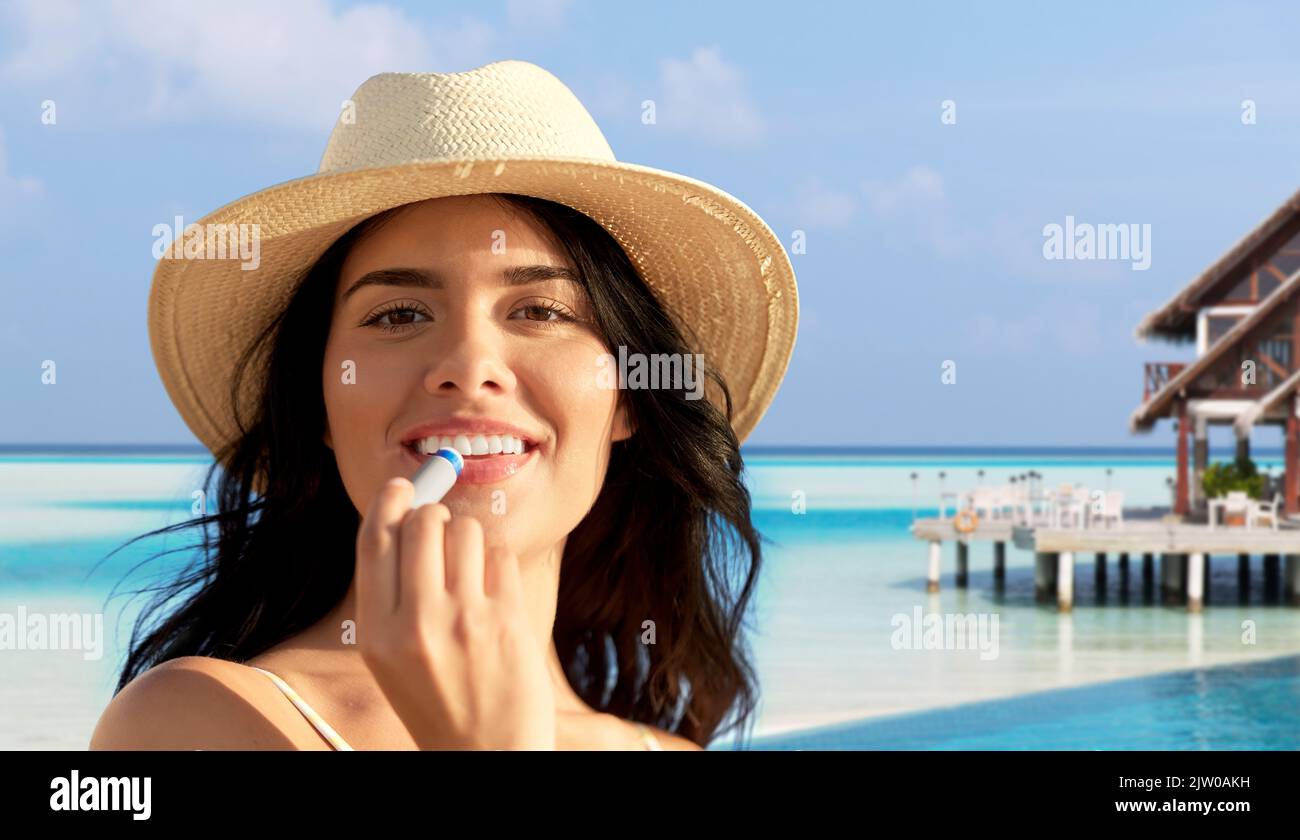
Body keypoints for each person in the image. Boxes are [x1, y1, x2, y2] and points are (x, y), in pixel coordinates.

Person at [89, 60, 798, 750]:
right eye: (398, 315)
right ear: (319, 403)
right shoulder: (191, 722)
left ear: (628, 397)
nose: (468, 367)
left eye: (541, 310)